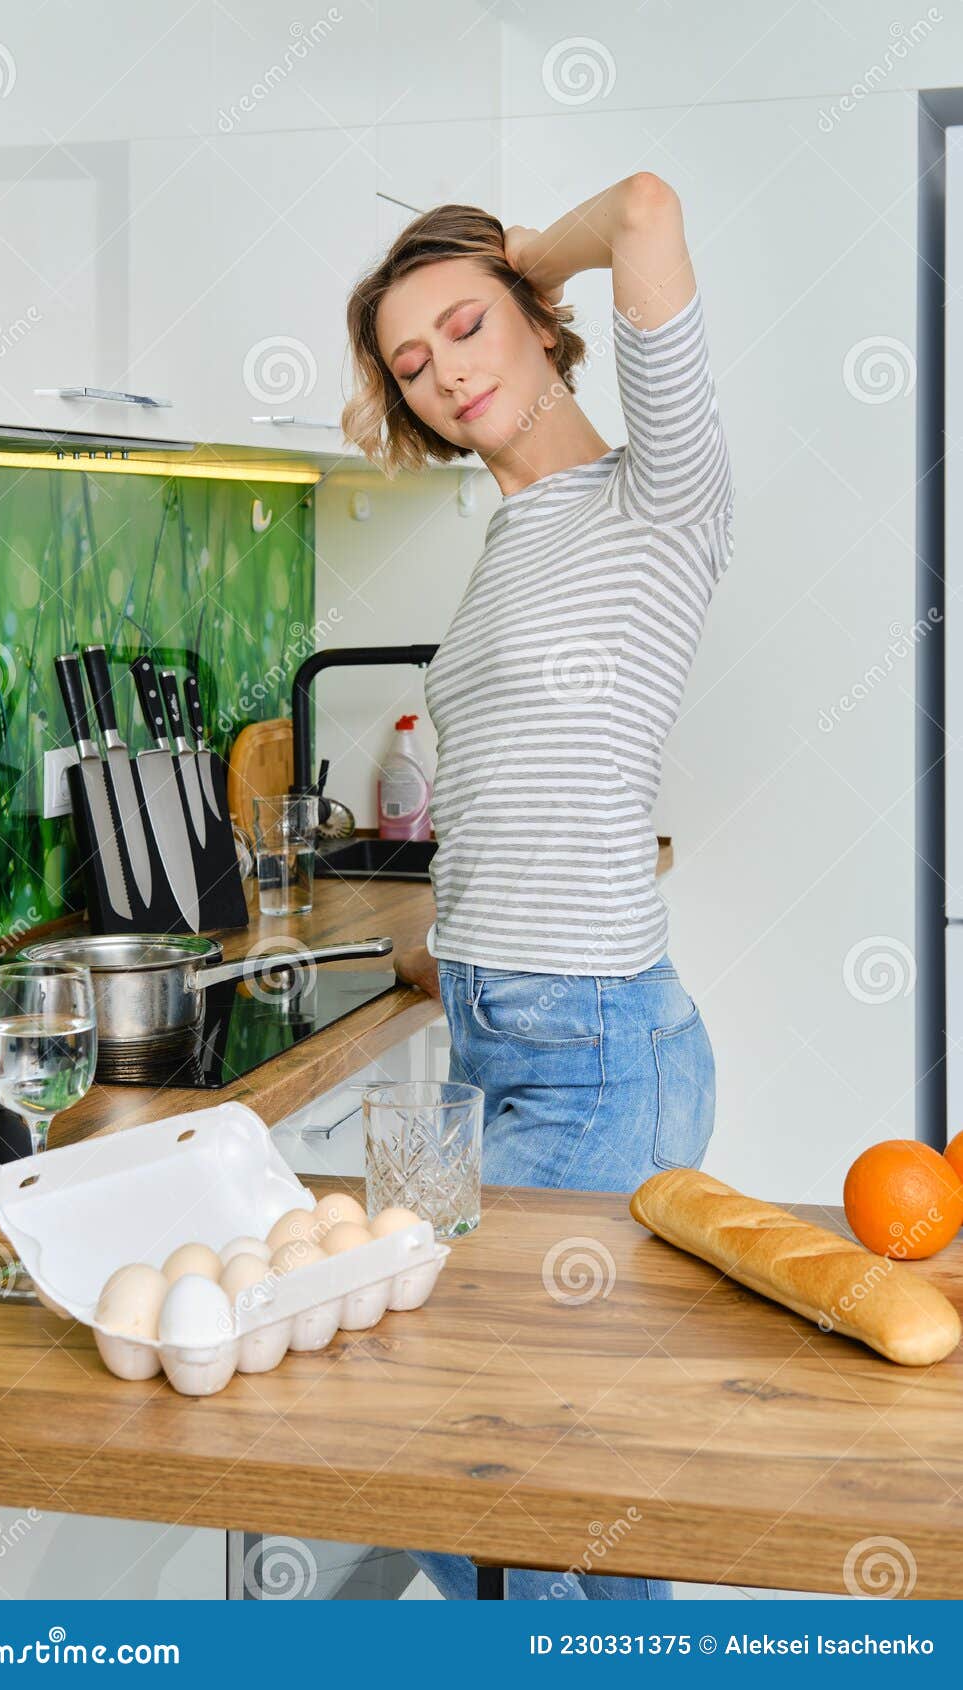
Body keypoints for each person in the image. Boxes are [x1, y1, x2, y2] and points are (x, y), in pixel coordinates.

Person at [340, 176, 735, 1600]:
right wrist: (447, 950)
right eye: (411, 362)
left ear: (541, 324)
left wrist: (521, 255)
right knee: (559, 1467)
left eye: (468, 326)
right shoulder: (511, 540)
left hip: (600, 1054)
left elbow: (642, 207)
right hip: (504, 1037)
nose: (446, 370)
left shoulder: (659, 492)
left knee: (477, 1446)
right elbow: (518, 802)